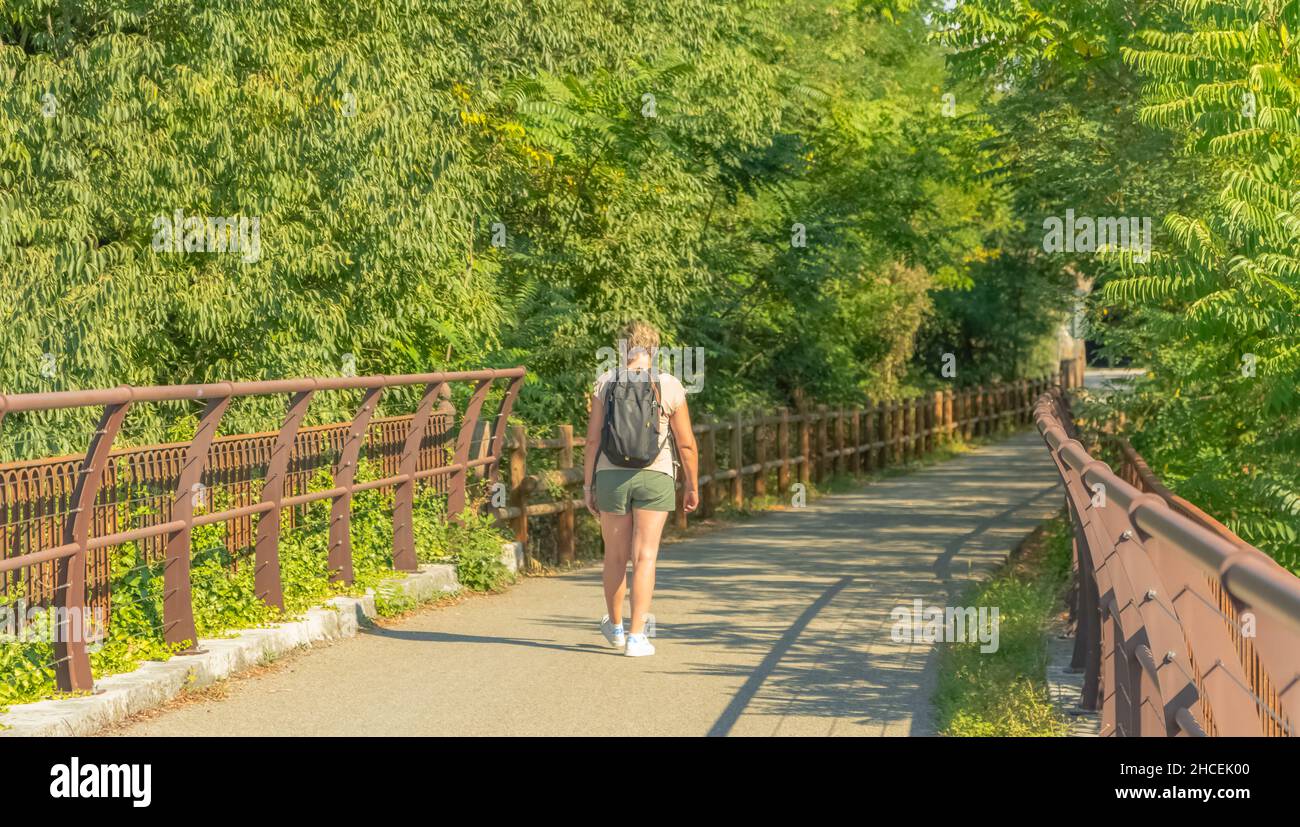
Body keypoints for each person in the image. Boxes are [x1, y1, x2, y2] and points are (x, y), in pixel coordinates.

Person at [583, 320, 699, 656]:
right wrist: (691, 484)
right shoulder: (670, 385)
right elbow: (686, 444)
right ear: (654, 349)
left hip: (611, 476)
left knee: (615, 556)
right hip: (656, 475)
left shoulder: (605, 382)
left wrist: (589, 485)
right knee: (645, 557)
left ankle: (616, 628)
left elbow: (592, 440)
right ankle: (637, 637)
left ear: (622, 349)